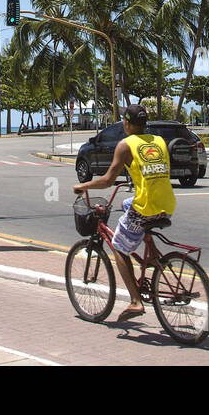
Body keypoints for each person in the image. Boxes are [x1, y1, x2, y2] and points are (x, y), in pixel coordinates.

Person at [72, 103, 176, 323]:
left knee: (118, 247)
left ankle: (136, 301)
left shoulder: (125, 145)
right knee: (128, 204)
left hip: (146, 208)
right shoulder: (159, 141)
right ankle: (152, 251)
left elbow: (109, 180)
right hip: (166, 204)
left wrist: (85, 186)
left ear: (126, 123)